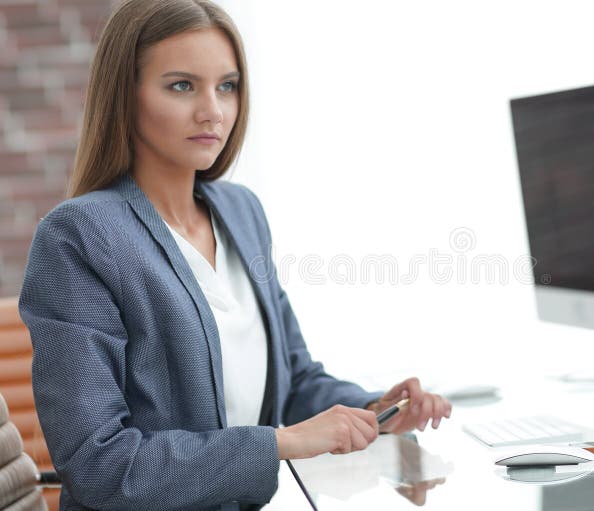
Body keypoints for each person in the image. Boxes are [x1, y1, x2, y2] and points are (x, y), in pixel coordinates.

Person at [18, 1, 451, 509]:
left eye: (227, 86)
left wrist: (375, 410)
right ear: (124, 96)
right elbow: (102, 466)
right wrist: (281, 443)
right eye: (182, 85)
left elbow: (293, 379)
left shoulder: (241, 212)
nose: (213, 110)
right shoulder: (79, 238)